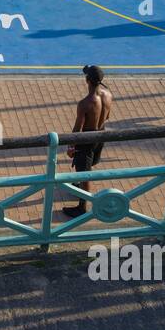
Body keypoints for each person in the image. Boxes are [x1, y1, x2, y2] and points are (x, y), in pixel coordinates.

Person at [63, 66, 113, 217]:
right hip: (101, 134)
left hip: (86, 138)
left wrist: (71, 146)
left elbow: (78, 128)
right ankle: (80, 185)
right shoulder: (109, 95)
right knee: (88, 164)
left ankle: (82, 207)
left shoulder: (85, 103)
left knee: (84, 172)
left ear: (87, 80)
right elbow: (108, 116)